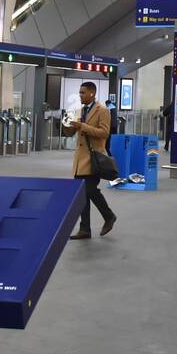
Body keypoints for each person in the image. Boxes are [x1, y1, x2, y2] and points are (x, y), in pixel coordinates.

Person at [65, 81, 117, 240]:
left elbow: (104, 133)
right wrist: (67, 125)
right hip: (80, 160)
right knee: (82, 195)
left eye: (83, 92)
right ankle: (85, 229)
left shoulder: (102, 111)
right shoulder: (81, 110)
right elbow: (71, 133)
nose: (80, 95)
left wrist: (83, 126)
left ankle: (109, 216)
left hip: (94, 158)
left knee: (89, 190)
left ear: (92, 93)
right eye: (79, 92)